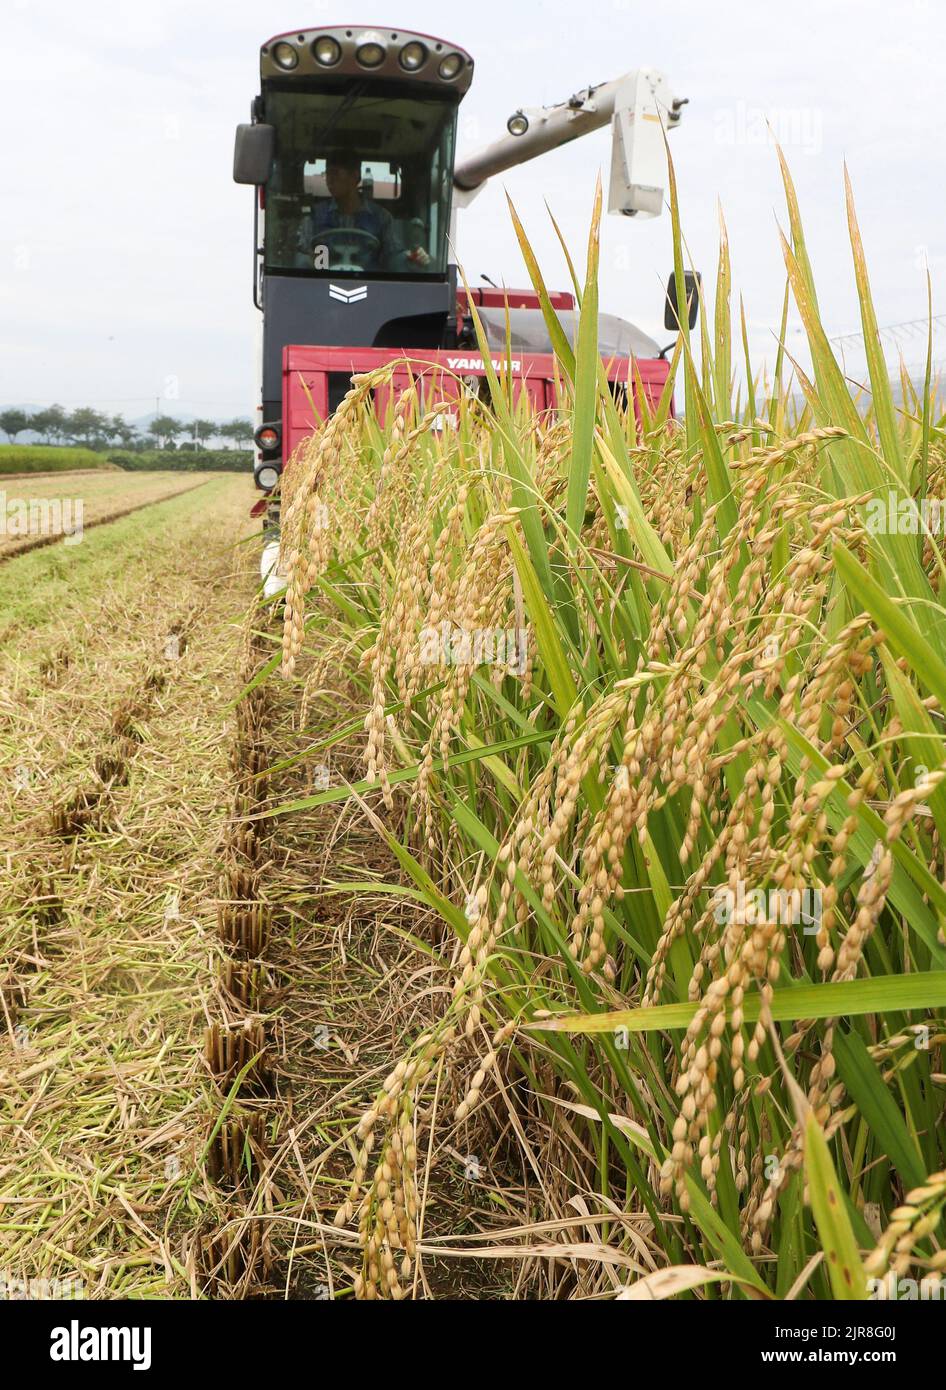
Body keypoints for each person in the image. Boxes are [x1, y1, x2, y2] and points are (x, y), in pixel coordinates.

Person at [298, 150, 430, 272]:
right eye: (327, 174)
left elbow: (393, 256)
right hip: (321, 286)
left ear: (355, 176)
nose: (329, 180)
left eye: (336, 173)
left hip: (373, 290)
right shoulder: (315, 215)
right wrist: (309, 259)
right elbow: (301, 255)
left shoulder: (381, 218)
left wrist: (410, 258)